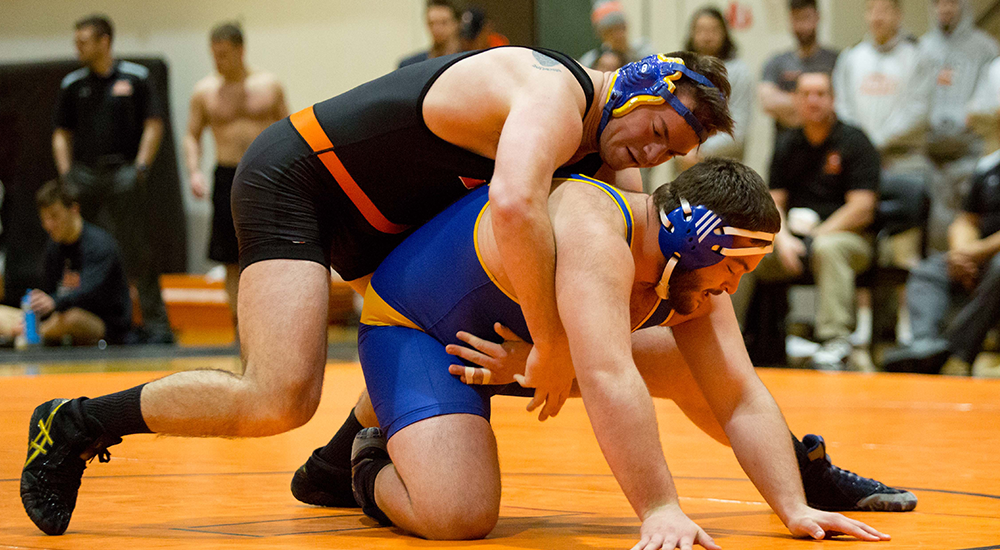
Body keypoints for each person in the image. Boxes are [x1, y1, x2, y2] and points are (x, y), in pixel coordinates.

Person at [21, 50, 734, 536]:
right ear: (642, 84)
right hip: (302, 183)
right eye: (657, 131)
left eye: (670, 152)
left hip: (389, 223)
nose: (650, 153)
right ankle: (77, 422)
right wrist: (548, 344)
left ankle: (341, 461)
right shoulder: (554, 93)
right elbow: (515, 207)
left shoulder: (614, 154)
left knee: (429, 323)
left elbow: (622, 287)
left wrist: (791, 477)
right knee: (277, 396)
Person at [294, 160, 904, 543]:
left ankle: (808, 476)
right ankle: (368, 463)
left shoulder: (684, 271)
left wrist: (792, 507)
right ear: (691, 240)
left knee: (703, 373)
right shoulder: (597, 232)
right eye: (733, 265)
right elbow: (608, 376)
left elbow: (741, 396)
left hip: (521, 348)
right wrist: (660, 508)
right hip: (424, 331)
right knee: (460, 517)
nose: (732, 286)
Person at [736, 72, 879, 370]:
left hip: (849, 239)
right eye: (806, 94)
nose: (813, 101)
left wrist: (817, 236)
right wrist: (784, 238)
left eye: (820, 94)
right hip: (794, 240)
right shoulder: (788, 143)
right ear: (796, 101)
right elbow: (774, 201)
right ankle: (730, 339)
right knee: (746, 247)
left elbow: (862, 208)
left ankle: (835, 341)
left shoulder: (855, 141)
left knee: (828, 248)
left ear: (833, 99)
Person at [52, 14, 172, 344]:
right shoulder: (73, 84)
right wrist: (66, 175)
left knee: (137, 249)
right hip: (85, 175)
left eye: (84, 41)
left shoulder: (136, 77)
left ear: (105, 41)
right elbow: (61, 133)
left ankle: (157, 325)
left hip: (123, 172)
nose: (77, 47)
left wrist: (141, 167)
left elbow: (154, 123)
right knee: (85, 250)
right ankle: (99, 325)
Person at [184, 22, 288, 330]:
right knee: (230, 259)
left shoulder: (269, 85)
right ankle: (239, 328)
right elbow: (191, 135)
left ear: (241, 50)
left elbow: (289, 130)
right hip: (227, 175)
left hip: (265, 174)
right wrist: (193, 172)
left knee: (272, 251)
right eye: (214, 55)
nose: (218, 61)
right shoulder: (204, 92)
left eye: (224, 54)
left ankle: (274, 324)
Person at [881, 147, 1000, 375]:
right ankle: (926, 346)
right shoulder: (989, 166)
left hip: (990, 256)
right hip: (981, 255)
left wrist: (978, 252)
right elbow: (965, 220)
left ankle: (956, 354)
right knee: (928, 271)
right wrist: (960, 253)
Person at [917, 0, 999, 252]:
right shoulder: (923, 47)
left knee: (968, 222)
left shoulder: (985, 47)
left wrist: (970, 115)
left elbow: (990, 95)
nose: (945, 8)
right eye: (939, 3)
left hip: (968, 152)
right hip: (930, 153)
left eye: (951, 2)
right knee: (933, 229)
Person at [26, 180, 132, 346]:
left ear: (74, 209)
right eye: (44, 218)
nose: (48, 225)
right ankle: (28, 331)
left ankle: (28, 335)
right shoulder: (54, 247)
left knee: (72, 318)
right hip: (59, 317)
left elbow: (87, 293)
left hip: (104, 324)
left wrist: (54, 302)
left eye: (54, 216)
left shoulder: (100, 245)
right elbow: (50, 289)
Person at [831, 0, 933, 165]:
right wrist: (862, 142)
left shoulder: (916, 57)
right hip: (859, 159)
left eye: (884, 10)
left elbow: (918, 110)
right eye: (871, 10)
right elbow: (842, 105)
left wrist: (878, 141)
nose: (877, 17)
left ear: (898, 15)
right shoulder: (851, 57)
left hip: (903, 159)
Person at [677, 6, 754, 167]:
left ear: (725, 33)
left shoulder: (739, 71)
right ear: (692, 33)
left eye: (713, 30)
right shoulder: (679, 71)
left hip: (725, 167)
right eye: (701, 30)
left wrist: (698, 151)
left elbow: (737, 131)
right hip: (683, 165)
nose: (707, 36)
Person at [758, 0, 839, 135]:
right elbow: (767, 102)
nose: (802, 25)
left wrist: (789, 107)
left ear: (817, 17)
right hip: (786, 146)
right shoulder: (776, 62)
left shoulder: (836, 60)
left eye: (806, 17)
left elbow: (840, 106)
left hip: (828, 145)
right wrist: (817, 106)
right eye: (796, 19)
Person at [579, 0, 655, 69]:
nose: (619, 35)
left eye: (621, 28)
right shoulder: (590, 61)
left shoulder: (643, 53)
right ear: (602, 34)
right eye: (611, 31)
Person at [398, 0, 462, 68]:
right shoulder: (410, 65)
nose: (437, 29)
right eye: (431, 23)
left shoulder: (467, 61)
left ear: (456, 23)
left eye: (444, 23)